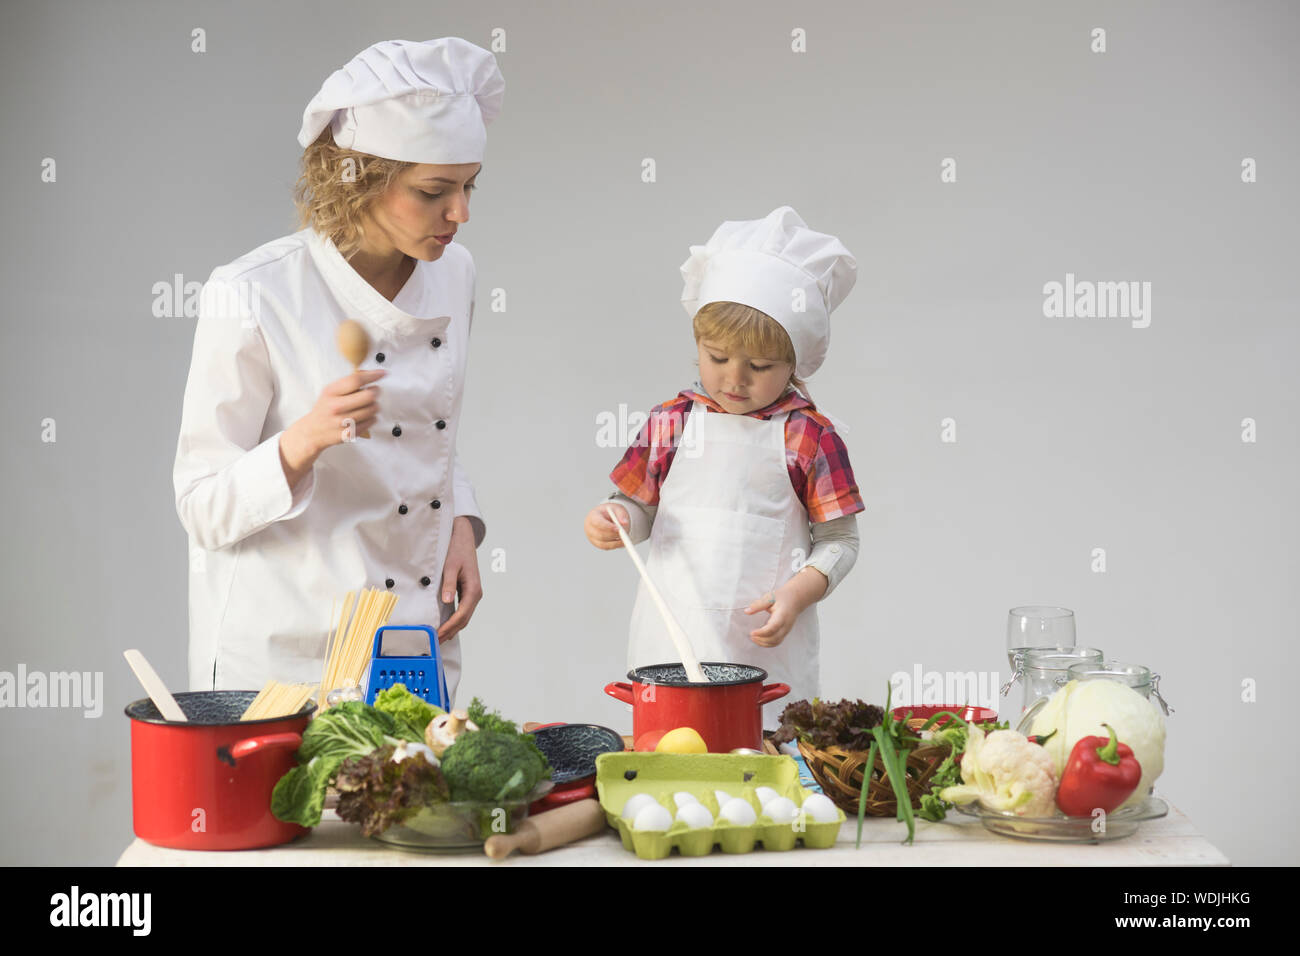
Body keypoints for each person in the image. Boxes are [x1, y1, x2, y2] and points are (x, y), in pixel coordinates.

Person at [173, 38, 503, 700]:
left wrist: (461, 522)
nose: (460, 215)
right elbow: (202, 507)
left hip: (408, 638)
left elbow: (430, 431)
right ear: (357, 177)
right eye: (434, 191)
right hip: (284, 654)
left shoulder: (453, 274)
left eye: (469, 187)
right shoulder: (255, 292)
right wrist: (302, 439)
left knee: (421, 803)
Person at [584, 206, 865, 727]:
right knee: (675, 757)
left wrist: (798, 593)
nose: (733, 379)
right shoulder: (670, 423)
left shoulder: (809, 436)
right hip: (668, 641)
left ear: (796, 361)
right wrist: (616, 518)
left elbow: (841, 543)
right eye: (716, 357)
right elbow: (637, 507)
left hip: (765, 656)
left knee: (758, 768)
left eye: (759, 367)